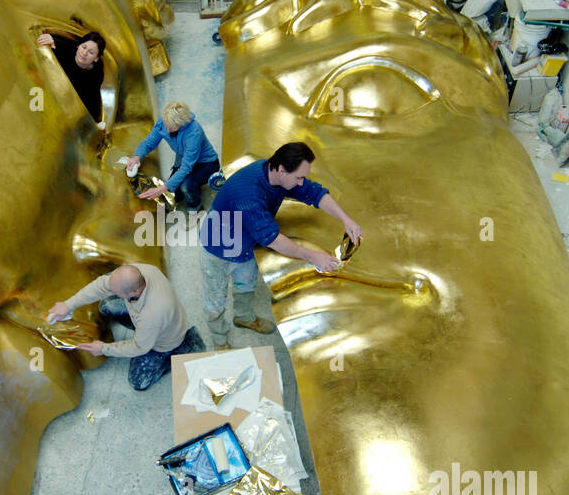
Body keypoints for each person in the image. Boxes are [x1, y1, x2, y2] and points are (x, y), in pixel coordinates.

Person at [199, 142, 362, 348]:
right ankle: (219, 338)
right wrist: (314, 256)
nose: (302, 183)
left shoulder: (275, 175)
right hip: (218, 249)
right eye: (299, 177)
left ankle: (244, 318)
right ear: (282, 170)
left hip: (246, 245)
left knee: (246, 286)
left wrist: (346, 219)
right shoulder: (248, 195)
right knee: (215, 300)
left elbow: (315, 193)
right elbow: (273, 239)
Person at [48, 262, 205, 391]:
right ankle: (150, 333)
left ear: (134, 291)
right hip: (154, 322)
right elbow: (101, 286)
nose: (111, 291)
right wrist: (69, 305)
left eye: (117, 292)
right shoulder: (139, 272)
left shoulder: (152, 314)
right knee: (107, 305)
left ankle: (186, 346)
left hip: (164, 340)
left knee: (138, 382)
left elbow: (139, 347)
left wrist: (103, 348)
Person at [128, 101, 222, 211]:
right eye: (166, 125)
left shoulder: (194, 133)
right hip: (183, 158)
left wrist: (161, 189)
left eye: (171, 128)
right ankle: (191, 188)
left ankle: (195, 207)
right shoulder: (163, 123)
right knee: (174, 193)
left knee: (186, 186)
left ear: (181, 124)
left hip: (206, 163)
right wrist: (137, 156)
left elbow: (186, 167)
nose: (167, 130)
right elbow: (148, 143)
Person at [37, 29, 106, 125]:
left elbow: (93, 99)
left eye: (91, 52)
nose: (84, 53)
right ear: (78, 46)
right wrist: (52, 38)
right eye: (83, 47)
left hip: (70, 102)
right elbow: (64, 42)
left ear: (96, 58)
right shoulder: (67, 50)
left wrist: (97, 122)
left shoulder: (95, 75)